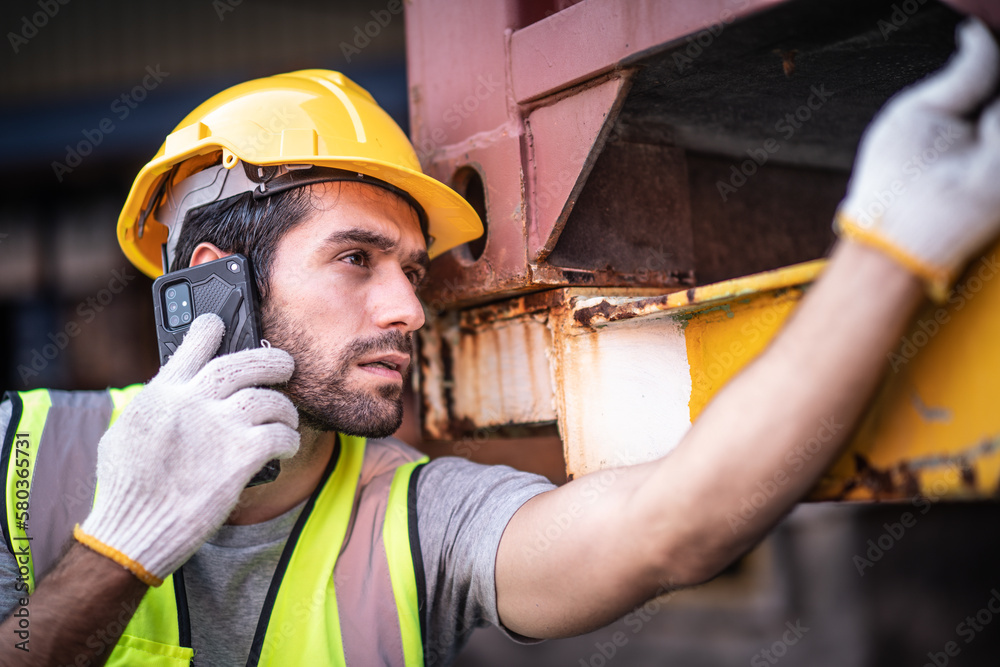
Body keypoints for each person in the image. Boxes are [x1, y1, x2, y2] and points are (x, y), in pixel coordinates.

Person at [1, 18, 998, 667]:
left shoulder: (419, 516)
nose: (409, 308)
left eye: (414, 270)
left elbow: (670, 525)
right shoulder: (20, 459)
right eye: (357, 259)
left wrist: (887, 246)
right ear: (216, 275)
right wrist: (118, 552)